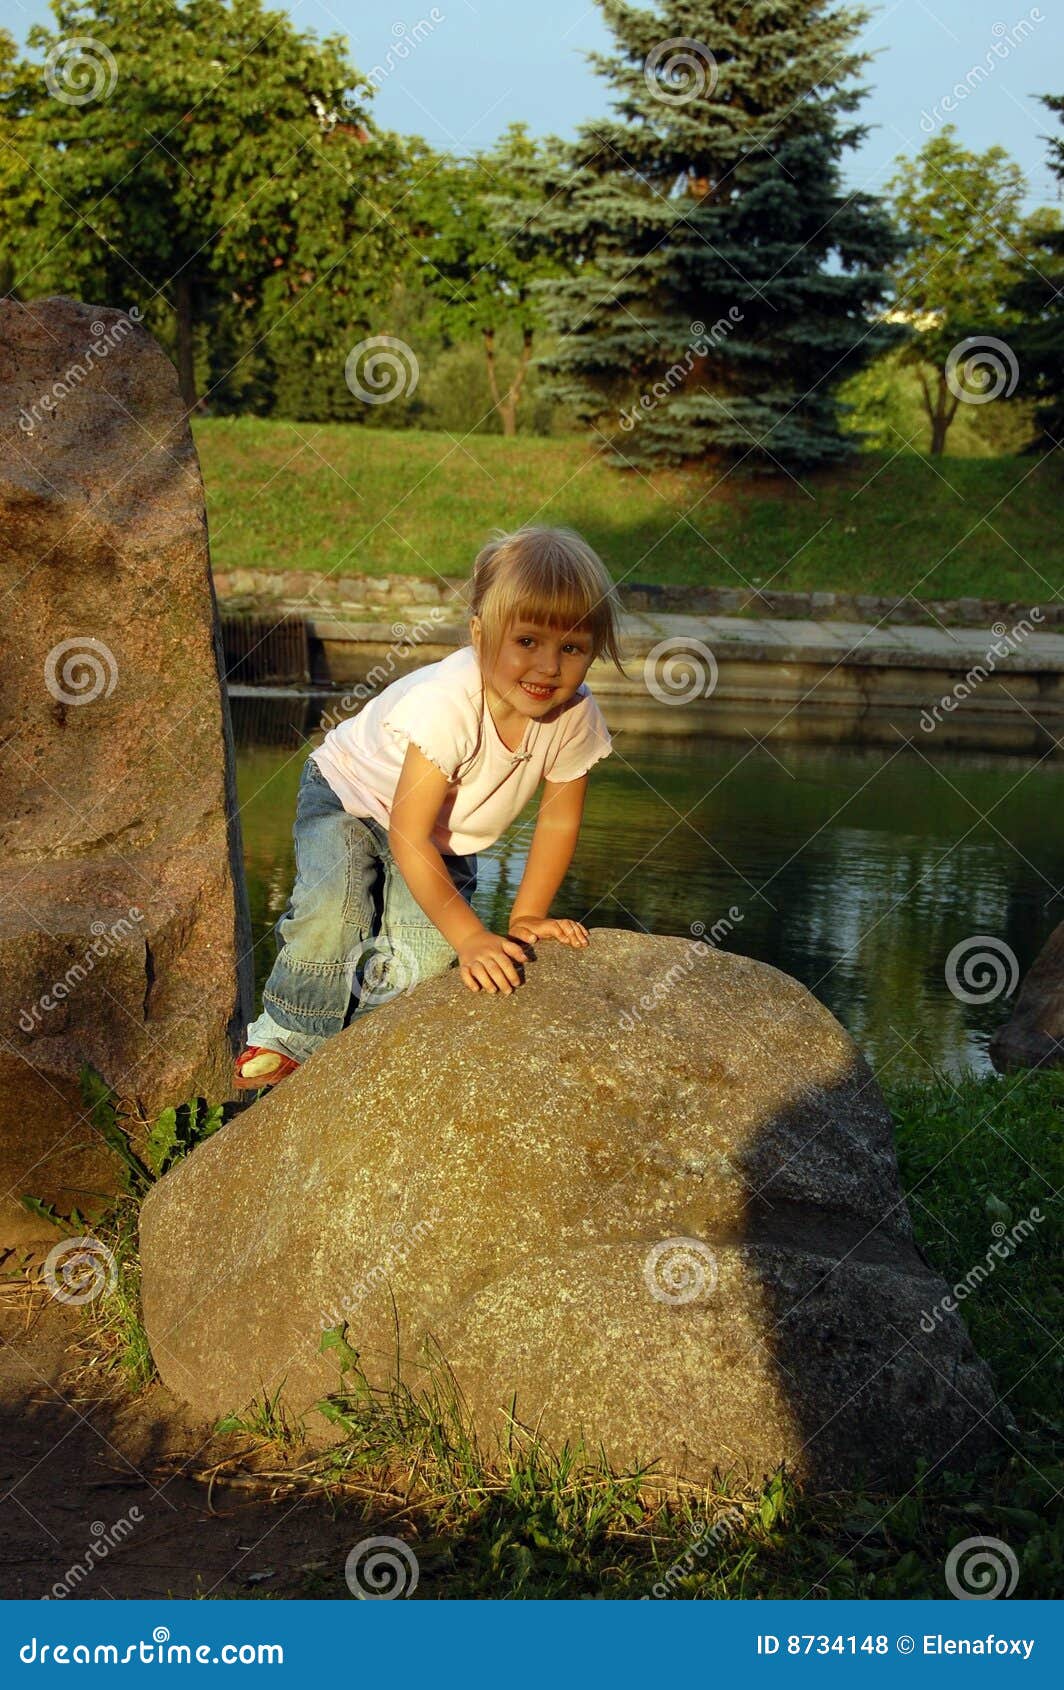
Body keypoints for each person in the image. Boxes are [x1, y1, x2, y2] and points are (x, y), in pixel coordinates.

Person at [234, 525, 628, 1089]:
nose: (548, 667)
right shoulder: (450, 704)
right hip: (350, 794)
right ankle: (289, 1033)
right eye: (527, 642)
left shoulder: (575, 718)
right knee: (338, 900)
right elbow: (404, 834)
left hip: (437, 836)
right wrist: (475, 935)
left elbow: (559, 817)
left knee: (427, 954)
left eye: (571, 648)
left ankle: (366, 1045)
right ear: (481, 633)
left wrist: (525, 916)